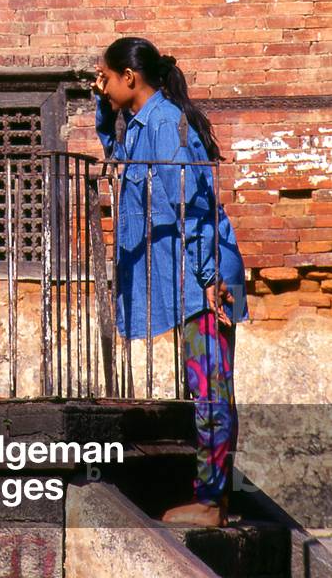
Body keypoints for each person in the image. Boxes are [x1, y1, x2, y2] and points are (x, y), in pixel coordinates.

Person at [94, 36, 248, 527]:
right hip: (190, 278)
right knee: (205, 387)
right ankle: (213, 500)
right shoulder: (144, 126)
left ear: (130, 77)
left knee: (210, 389)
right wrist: (102, 108)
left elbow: (191, 204)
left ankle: (210, 504)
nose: (102, 83)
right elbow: (120, 156)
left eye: (106, 76)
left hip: (203, 279)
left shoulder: (164, 125)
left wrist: (207, 278)